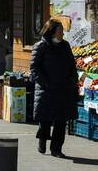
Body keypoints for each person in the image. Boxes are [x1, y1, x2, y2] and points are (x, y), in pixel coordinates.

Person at [31, 19, 79, 158]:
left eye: (62, 31)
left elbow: (72, 64)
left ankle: (56, 149)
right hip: (46, 89)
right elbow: (34, 69)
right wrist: (44, 83)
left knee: (61, 120)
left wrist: (73, 79)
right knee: (45, 120)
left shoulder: (65, 46)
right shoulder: (40, 46)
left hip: (63, 88)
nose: (62, 34)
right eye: (60, 31)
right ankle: (42, 141)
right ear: (52, 32)